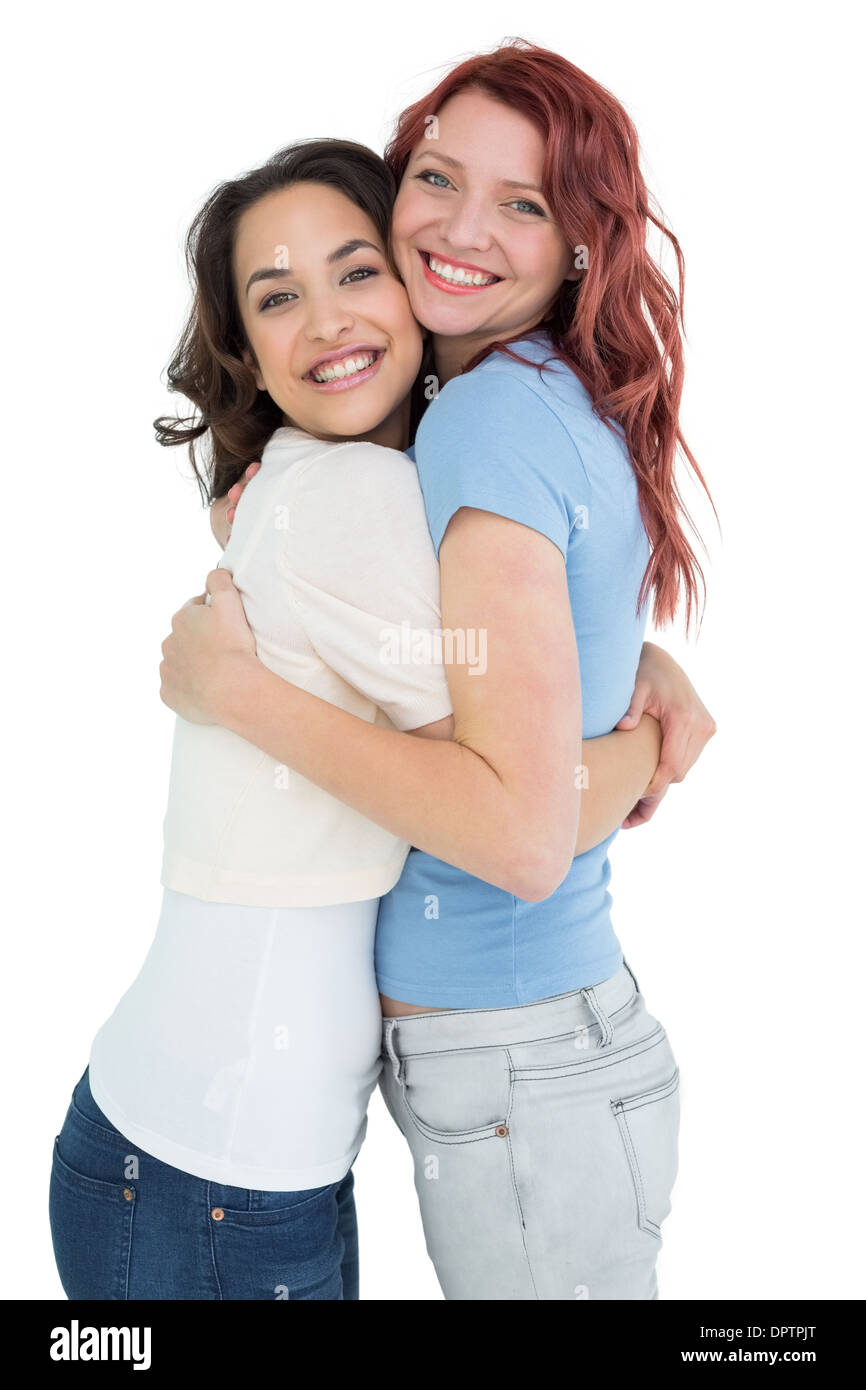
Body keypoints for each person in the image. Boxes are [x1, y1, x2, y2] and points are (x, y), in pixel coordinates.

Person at [49, 137, 674, 1302]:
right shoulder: (353, 494)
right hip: (211, 1174)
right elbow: (515, 816)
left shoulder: (315, 484)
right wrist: (654, 739)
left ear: (407, 276)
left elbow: (489, 695)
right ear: (246, 348)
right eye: (276, 297)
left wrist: (644, 659)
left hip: (193, 1151)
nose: (326, 322)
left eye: (353, 272)